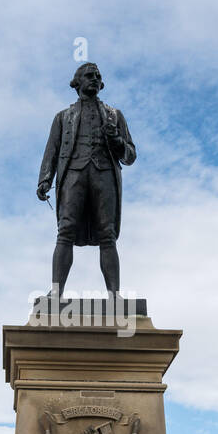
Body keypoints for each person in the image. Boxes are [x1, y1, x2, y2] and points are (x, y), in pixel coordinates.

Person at [37, 62, 136, 296]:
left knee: (107, 234)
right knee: (65, 231)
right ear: (77, 82)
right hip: (73, 175)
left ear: (101, 84)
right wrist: (45, 179)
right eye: (89, 75)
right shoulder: (63, 117)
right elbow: (51, 150)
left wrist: (116, 141)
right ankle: (55, 293)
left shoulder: (115, 115)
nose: (94, 79)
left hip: (104, 176)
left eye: (97, 76)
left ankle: (114, 295)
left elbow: (130, 156)